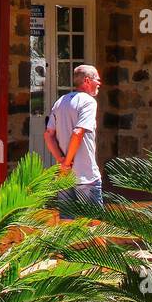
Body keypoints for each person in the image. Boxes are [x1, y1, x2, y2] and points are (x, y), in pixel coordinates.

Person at [44, 64, 103, 217]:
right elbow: (78, 132)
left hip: (65, 177)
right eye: (97, 79)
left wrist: (62, 162)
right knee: (95, 226)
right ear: (87, 80)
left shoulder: (60, 101)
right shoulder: (89, 102)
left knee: (68, 228)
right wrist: (68, 161)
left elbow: (48, 135)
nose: (99, 83)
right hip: (86, 175)